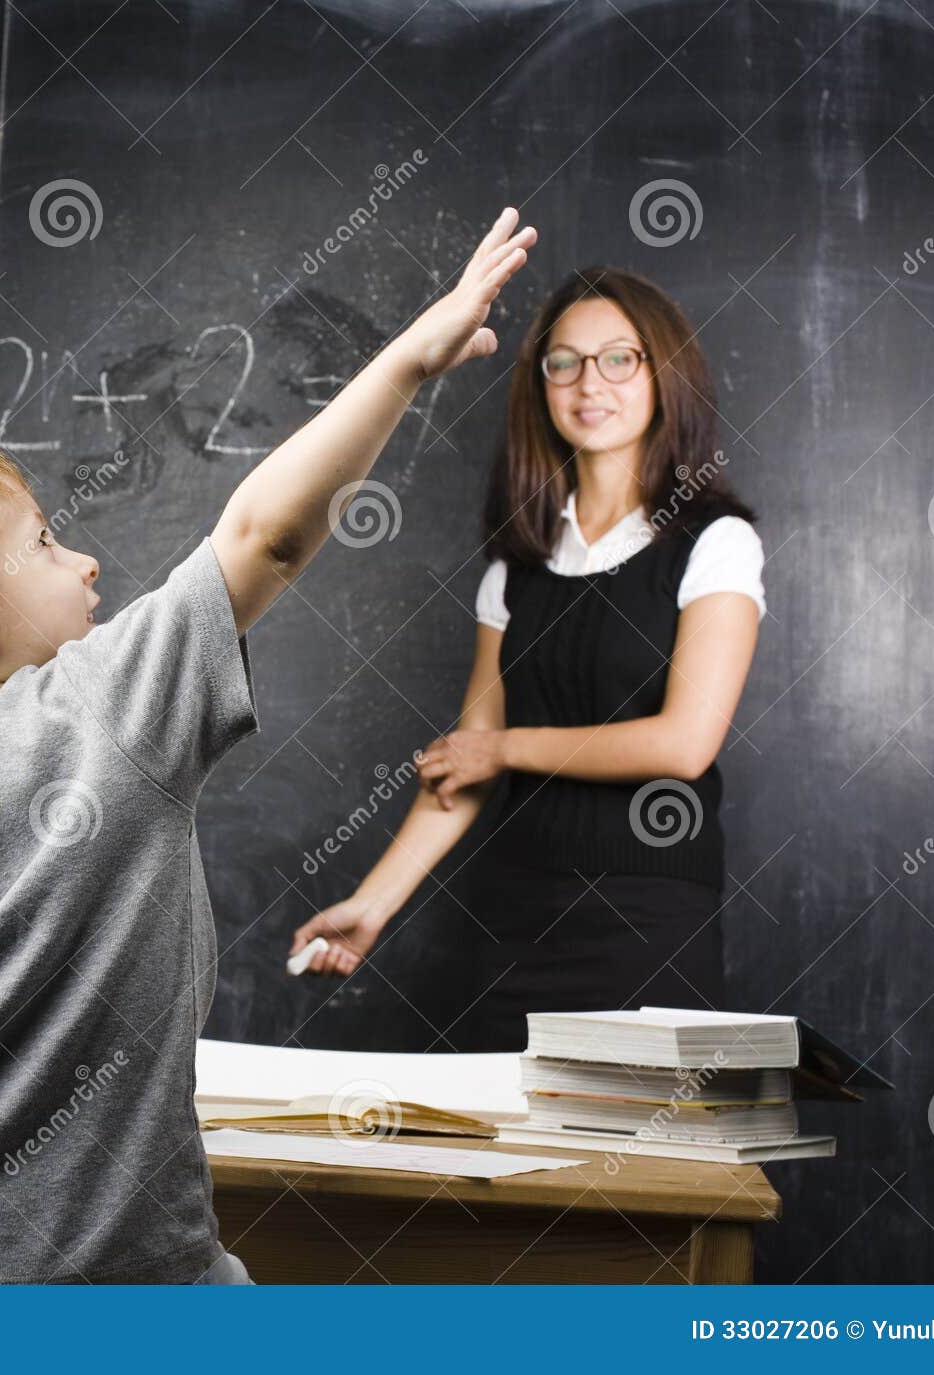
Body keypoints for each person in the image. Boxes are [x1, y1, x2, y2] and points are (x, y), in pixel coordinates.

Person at [0, 210, 537, 1280]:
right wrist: (404, 358)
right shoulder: (97, 706)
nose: (86, 564)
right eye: (44, 542)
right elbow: (267, 534)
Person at [289, 267, 765, 1050]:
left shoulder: (715, 544)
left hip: (648, 924)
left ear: (663, 373)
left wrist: (507, 748)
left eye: (620, 358)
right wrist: (372, 903)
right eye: (564, 361)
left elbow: (684, 744)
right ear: (540, 383)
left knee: (632, 1167)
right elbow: (462, 770)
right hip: (515, 914)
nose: (589, 383)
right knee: (505, 1165)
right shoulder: (515, 569)